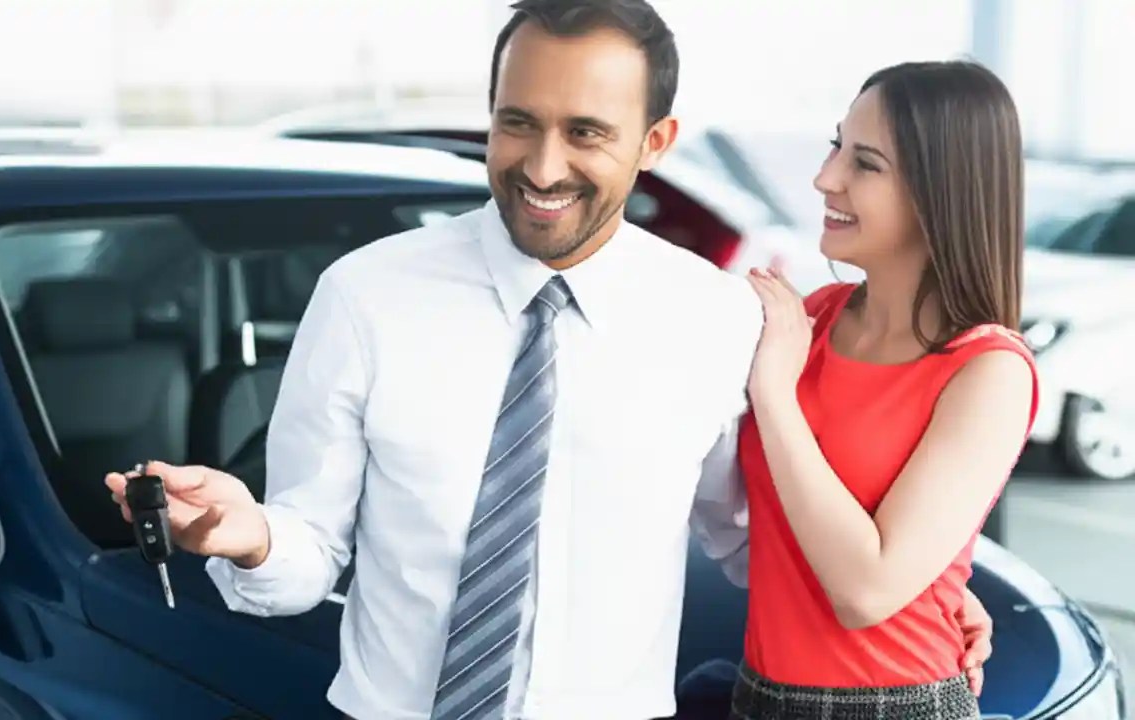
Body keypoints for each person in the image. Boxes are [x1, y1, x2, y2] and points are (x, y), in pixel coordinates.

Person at [105, 3, 993, 718]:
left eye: (587, 133)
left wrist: (931, 592)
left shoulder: (715, 319)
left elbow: (751, 543)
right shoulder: (364, 297)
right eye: (517, 123)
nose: (542, 164)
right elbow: (310, 551)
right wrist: (249, 537)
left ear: (655, 143)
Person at [731, 61, 1035, 719]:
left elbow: (866, 592)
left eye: (864, 163)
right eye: (835, 146)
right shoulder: (808, 318)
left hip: (897, 706)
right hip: (756, 695)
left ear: (941, 193)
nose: (825, 177)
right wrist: (942, 581)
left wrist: (776, 398)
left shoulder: (989, 371)